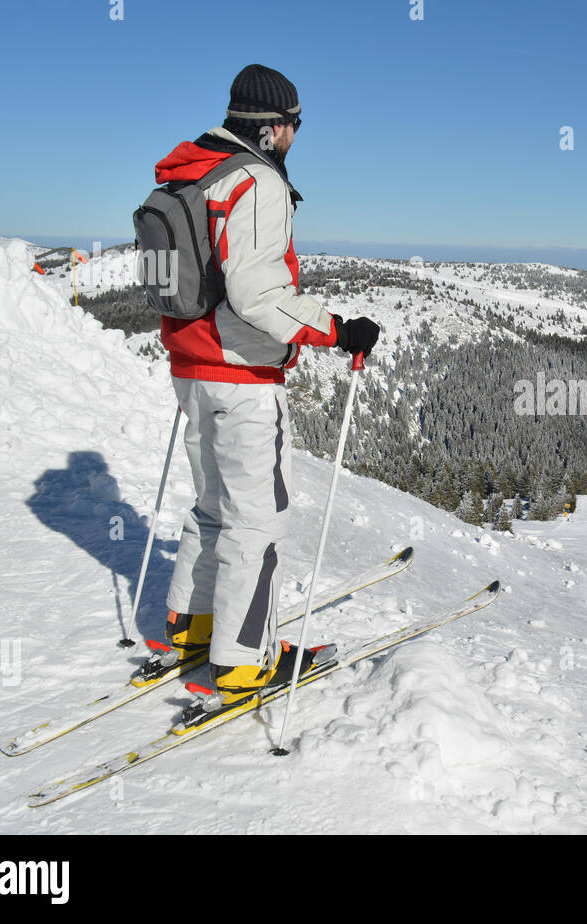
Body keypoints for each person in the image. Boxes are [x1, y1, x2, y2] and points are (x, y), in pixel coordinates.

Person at [150, 63, 379, 710]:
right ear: (273, 127)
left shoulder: (189, 171)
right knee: (258, 521)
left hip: (190, 368)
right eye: (296, 125)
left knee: (212, 509)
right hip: (243, 376)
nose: (297, 137)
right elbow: (256, 293)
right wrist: (336, 330)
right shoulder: (256, 180)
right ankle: (245, 662)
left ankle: (189, 627)